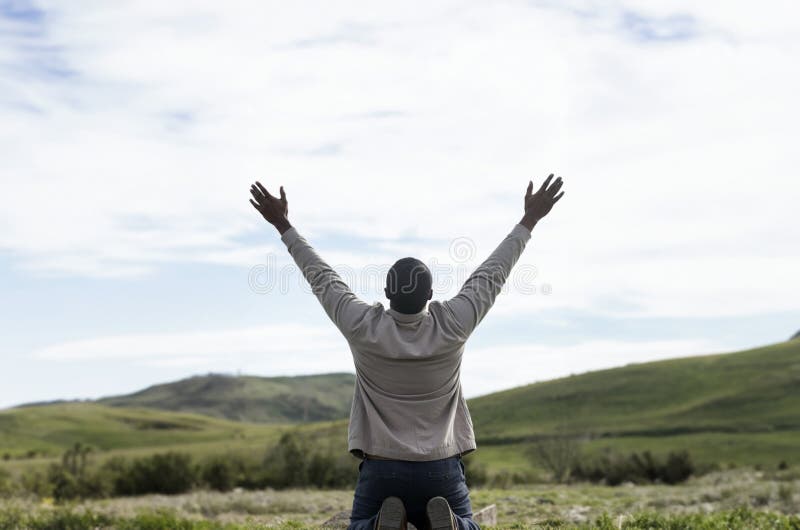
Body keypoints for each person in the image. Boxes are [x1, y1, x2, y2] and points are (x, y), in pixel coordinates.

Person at [249, 175, 565, 530]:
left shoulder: (362, 327)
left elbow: (321, 277)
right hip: (441, 467)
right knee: (469, 525)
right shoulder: (453, 325)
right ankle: (456, 526)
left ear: (386, 291)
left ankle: (377, 527)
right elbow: (492, 274)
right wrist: (529, 221)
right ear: (431, 295)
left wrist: (283, 225)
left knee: (356, 527)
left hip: (382, 467)